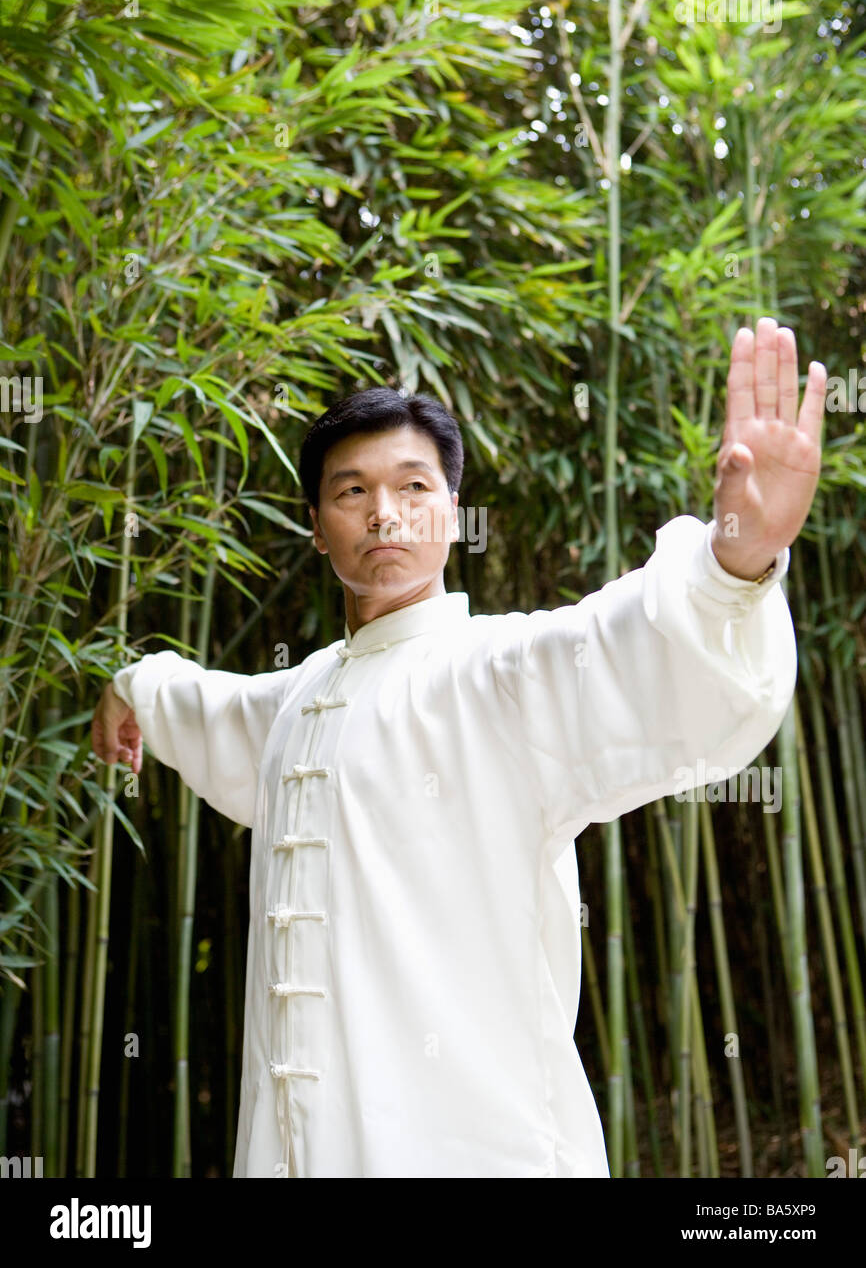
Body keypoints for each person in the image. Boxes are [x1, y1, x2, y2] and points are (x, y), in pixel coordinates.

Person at [91, 317, 826, 1177]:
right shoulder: (298, 698)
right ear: (317, 527)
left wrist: (739, 552)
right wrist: (130, 682)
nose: (385, 514)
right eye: (351, 492)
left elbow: (639, 648)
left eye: (414, 486)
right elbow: (209, 705)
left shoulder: (500, 671)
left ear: (452, 510)